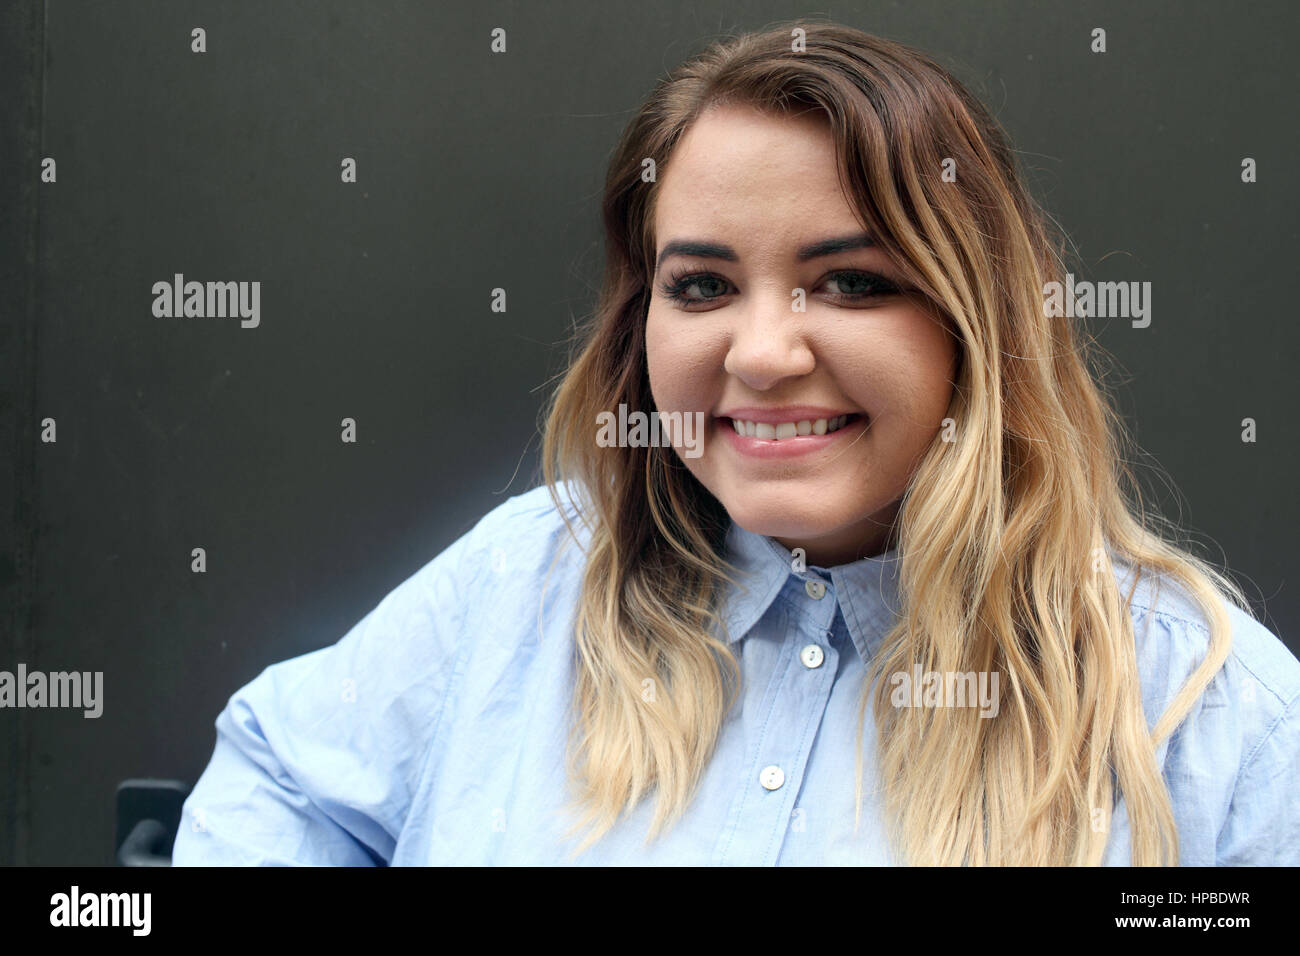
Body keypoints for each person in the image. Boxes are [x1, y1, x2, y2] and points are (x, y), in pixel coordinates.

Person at [172, 20, 1299, 866]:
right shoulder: (525, 579)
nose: (760, 353)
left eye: (849, 281)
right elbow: (279, 778)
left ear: (978, 319)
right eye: (702, 283)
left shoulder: (1204, 710)